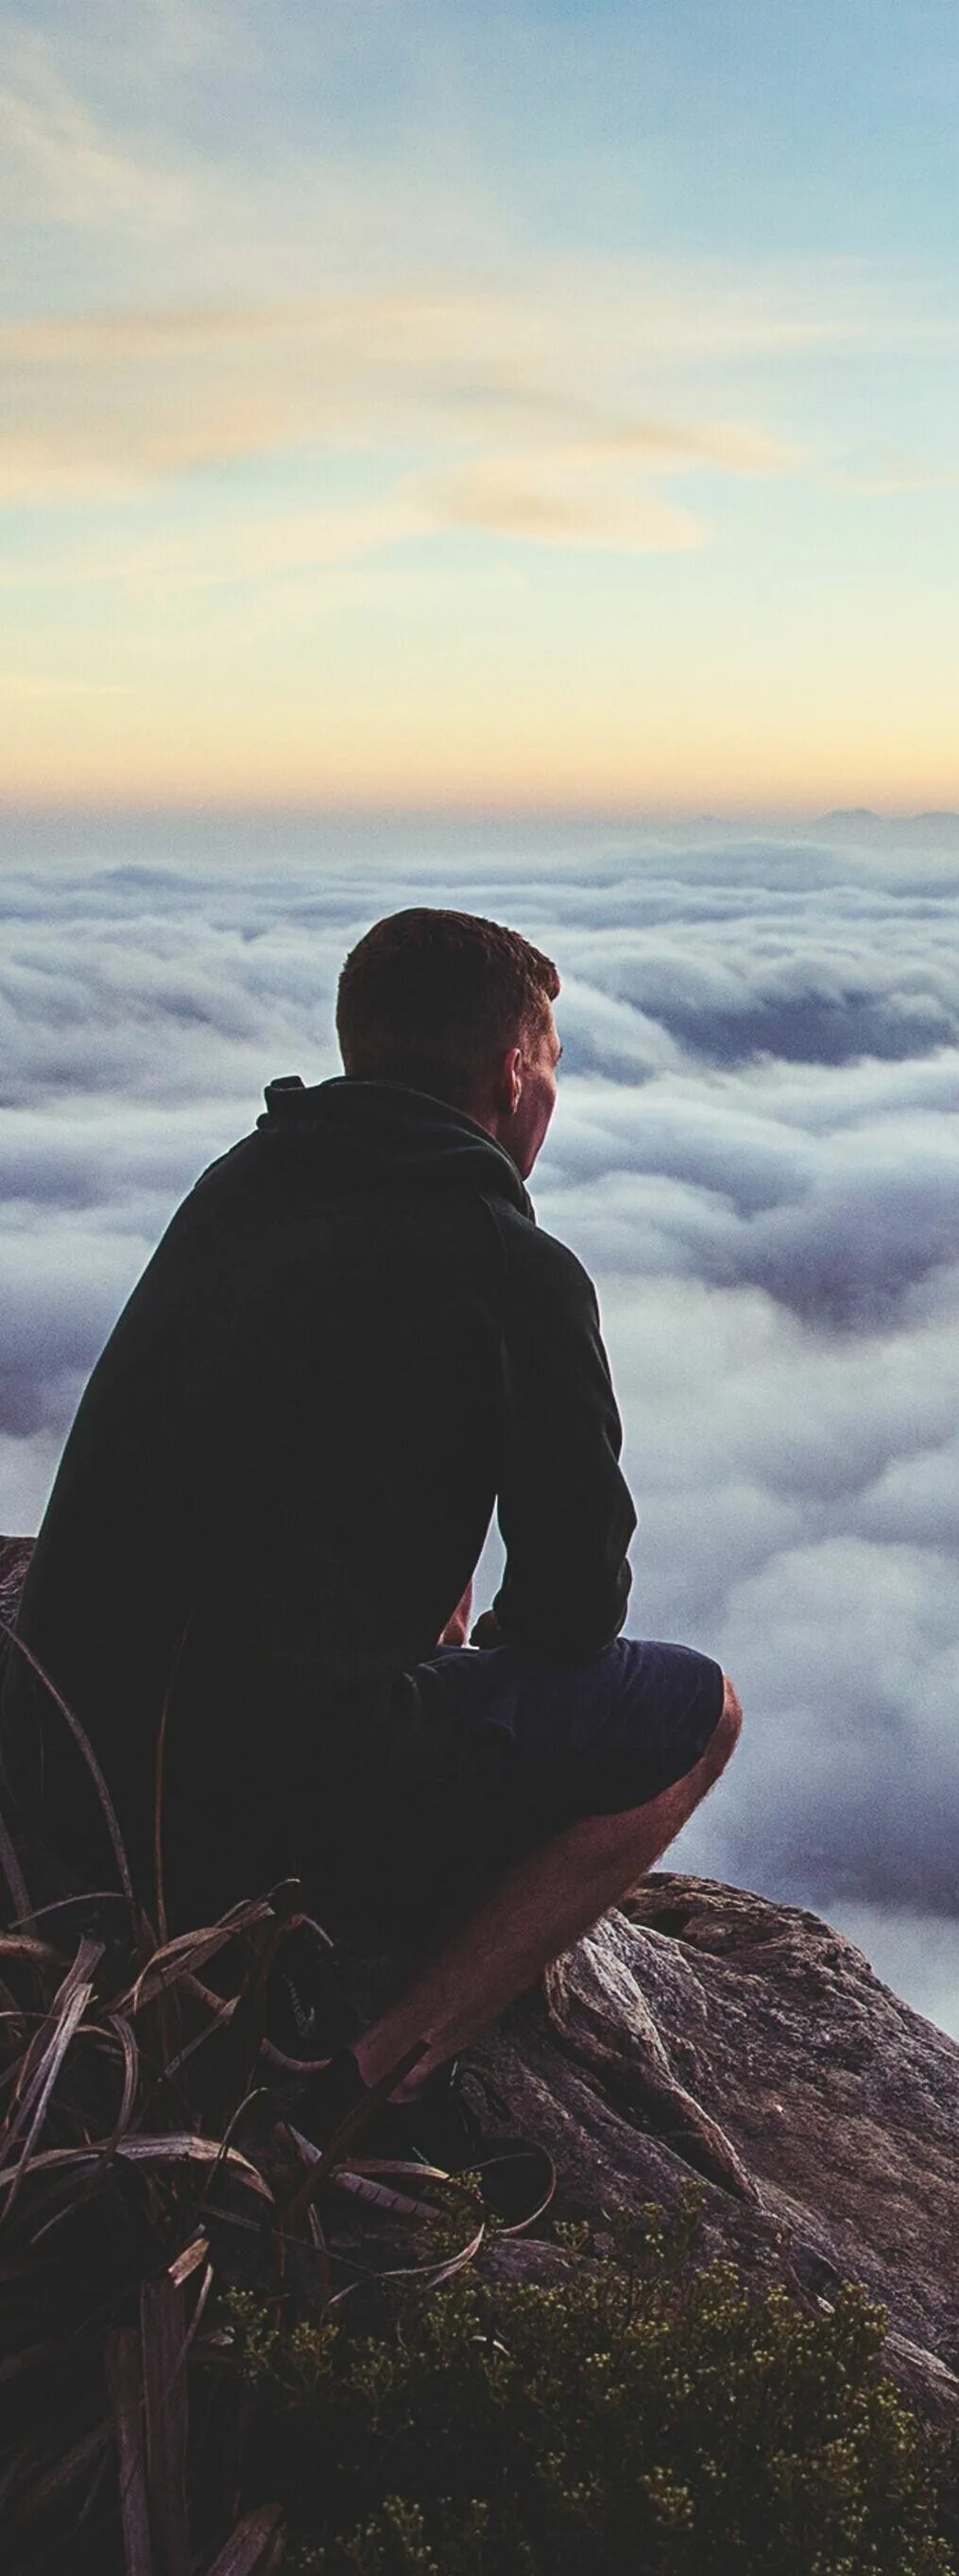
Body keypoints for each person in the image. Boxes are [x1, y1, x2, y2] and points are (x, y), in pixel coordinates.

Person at [0, 907, 739, 2173]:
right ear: (515, 1074)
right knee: (699, 1714)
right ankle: (368, 2074)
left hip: (68, 1769)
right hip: (262, 1806)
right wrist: (473, 1653)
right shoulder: (512, 1264)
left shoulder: (240, 1184)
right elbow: (575, 1611)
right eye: (549, 1064)